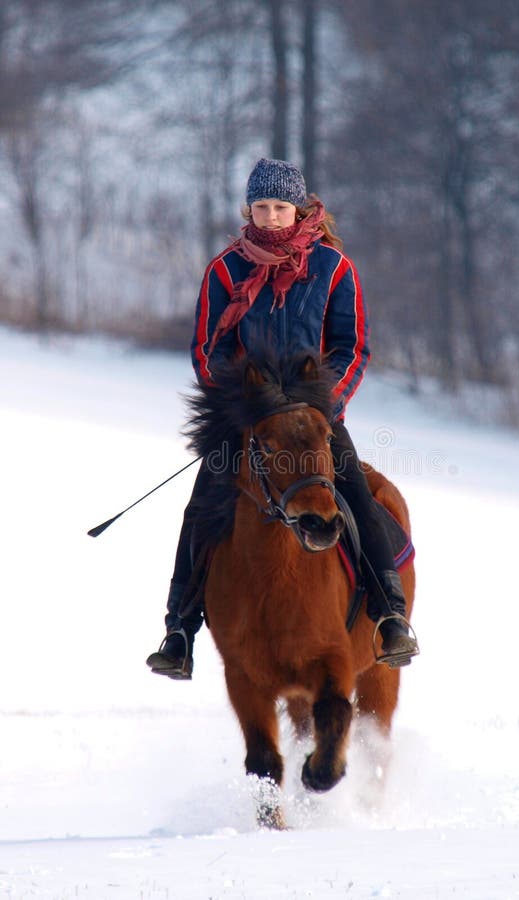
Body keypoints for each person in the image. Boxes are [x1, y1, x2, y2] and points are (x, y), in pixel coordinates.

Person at [146, 158, 419, 680]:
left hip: (315, 416)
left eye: (280, 207)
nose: (271, 218)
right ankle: (179, 630)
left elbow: (352, 346)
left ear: (300, 208)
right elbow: (208, 348)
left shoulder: (335, 269)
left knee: (358, 497)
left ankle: (389, 615)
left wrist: (323, 405)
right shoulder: (225, 269)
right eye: (262, 207)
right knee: (203, 505)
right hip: (249, 420)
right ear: (249, 209)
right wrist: (243, 406)